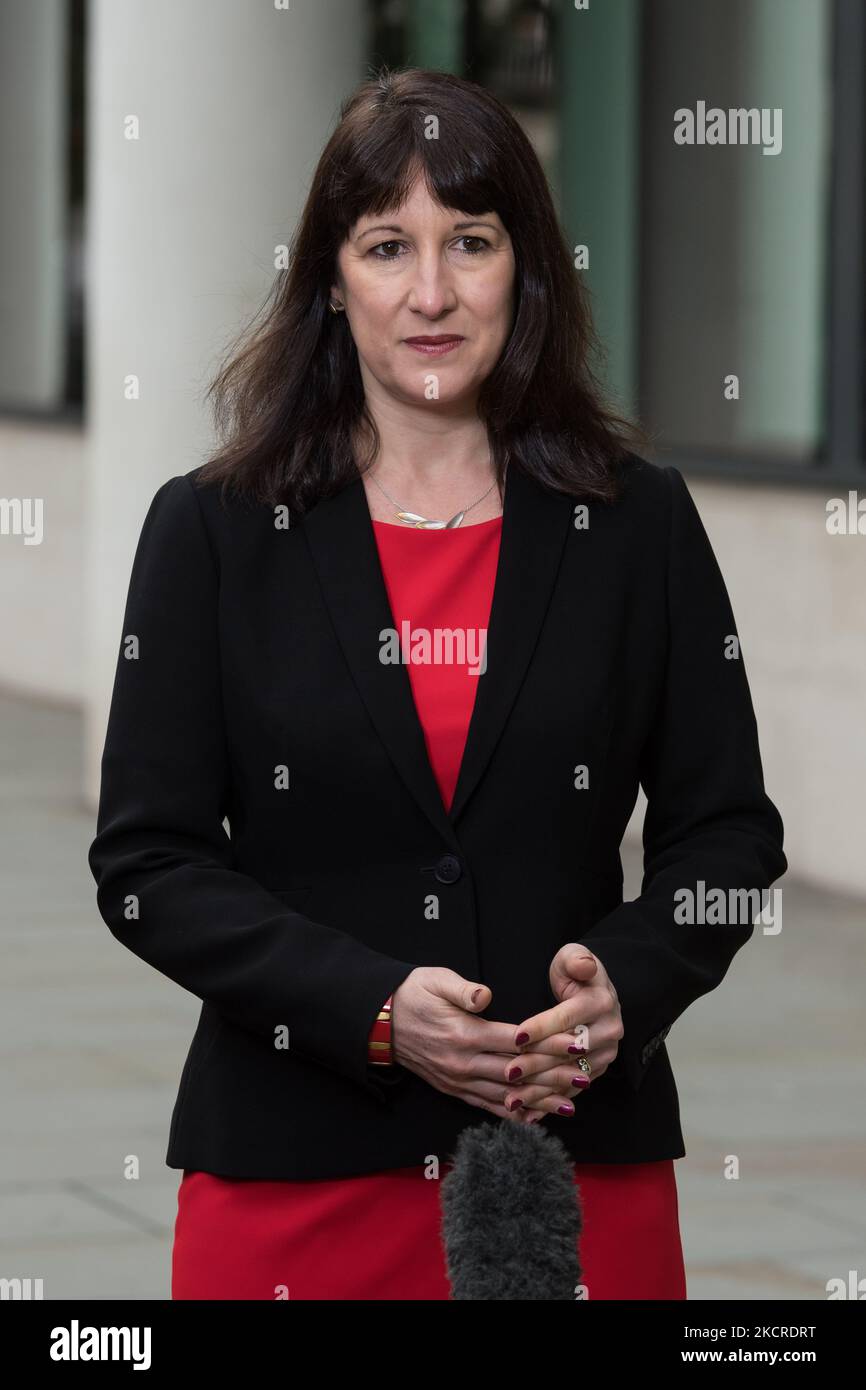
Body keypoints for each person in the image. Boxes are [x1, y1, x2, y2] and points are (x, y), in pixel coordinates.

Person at [88, 67, 787, 1301]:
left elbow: (727, 834)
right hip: (292, 1182)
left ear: (525, 266)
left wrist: (633, 978)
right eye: (383, 245)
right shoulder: (212, 532)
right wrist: (369, 1005)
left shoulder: (637, 525)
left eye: (468, 241)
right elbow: (148, 867)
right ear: (328, 276)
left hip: (576, 1179)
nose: (428, 292)